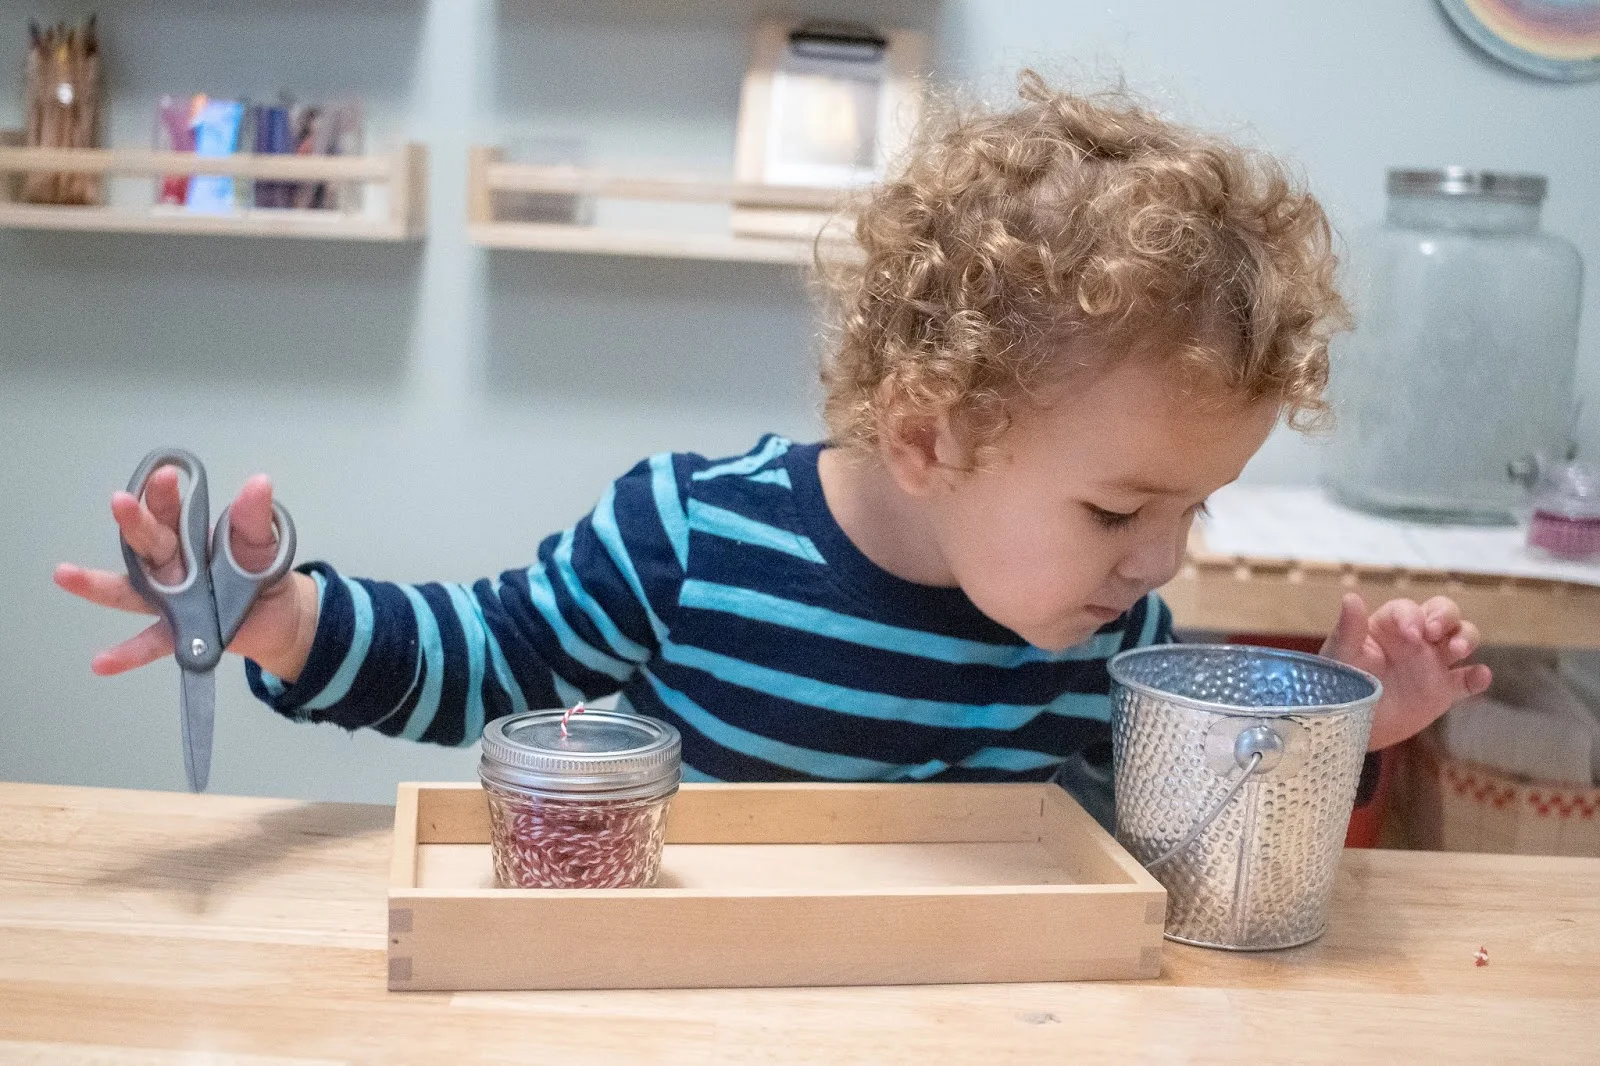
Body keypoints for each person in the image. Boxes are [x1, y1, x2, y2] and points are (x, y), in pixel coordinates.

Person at [56, 72, 1490, 812]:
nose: (1162, 558)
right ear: (929, 433)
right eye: (1122, 509)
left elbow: (1188, 811)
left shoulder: (1104, 630)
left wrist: (1350, 719)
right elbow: (482, 662)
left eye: (1194, 509)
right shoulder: (689, 538)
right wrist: (290, 618)